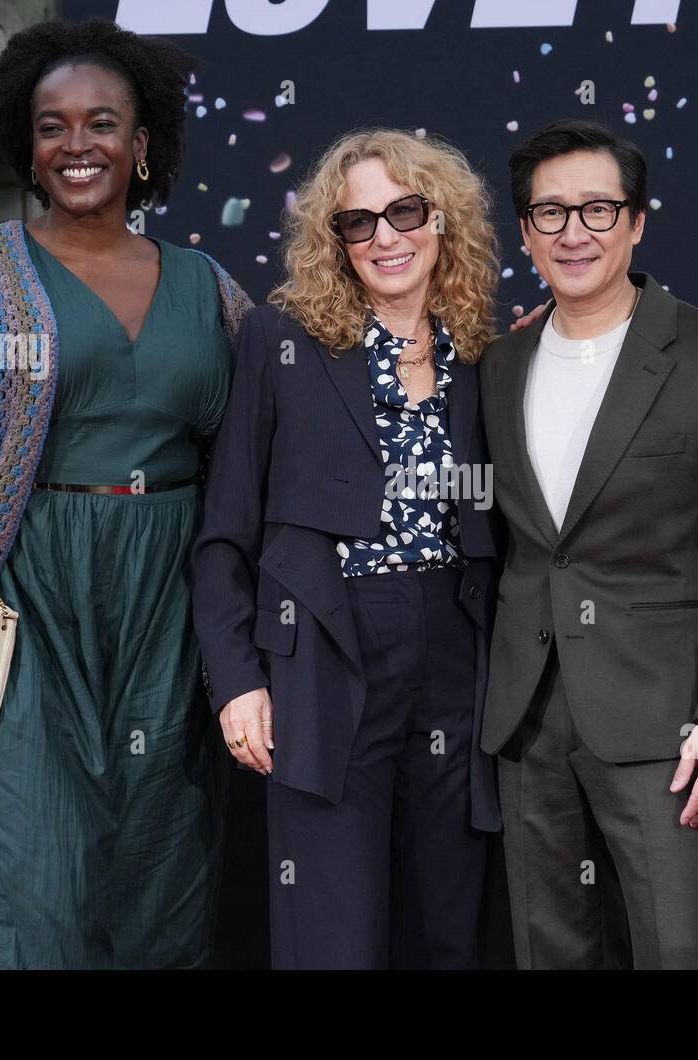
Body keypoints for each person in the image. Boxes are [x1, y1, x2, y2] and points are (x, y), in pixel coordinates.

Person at [0, 18, 252, 968]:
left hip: (169, 614)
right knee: (22, 888)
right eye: (52, 125)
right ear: (27, 146)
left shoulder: (212, 290)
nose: (78, 145)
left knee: (160, 884)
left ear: (142, 142)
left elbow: (273, 442)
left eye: (101, 122)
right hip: (15, 605)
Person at [193, 128, 502, 969]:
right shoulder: (281, 340)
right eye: (358, 223)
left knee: (449, 919)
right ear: (334, 243)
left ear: (444, 220)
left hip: (455, 650)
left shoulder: (486, 349)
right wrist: (239, 681)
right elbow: (226, 528)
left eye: (404, 211)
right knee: (335, 928)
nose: (385, 237)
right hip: (323, 645)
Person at [480, 119, 698, 969]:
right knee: (551, 951)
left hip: (666, 721)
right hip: (528, 717)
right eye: (550, 213)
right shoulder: (501, 364)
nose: (574, 232)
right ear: (526, 230)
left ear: (638, 221)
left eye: (598, 209)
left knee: (679, 949)